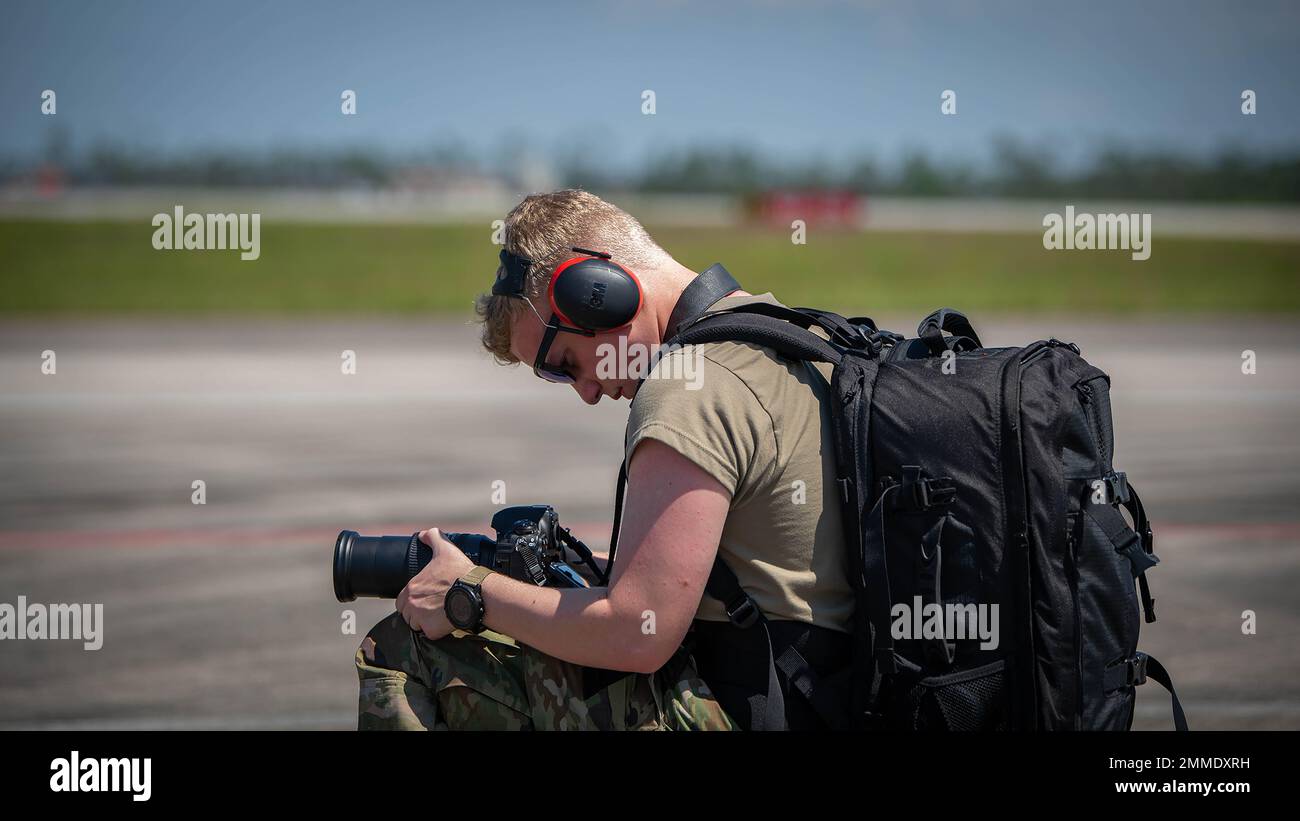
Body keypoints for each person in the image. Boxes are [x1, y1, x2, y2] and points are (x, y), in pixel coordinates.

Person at [355, 189, 853, 730]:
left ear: (597, 293)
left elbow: (636, 631)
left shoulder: (688, 389)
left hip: (758, 708)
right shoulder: (787, 336)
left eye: (565, 364)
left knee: (405, 649)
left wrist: (471, 593)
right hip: (826, 691)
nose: (586, 393)